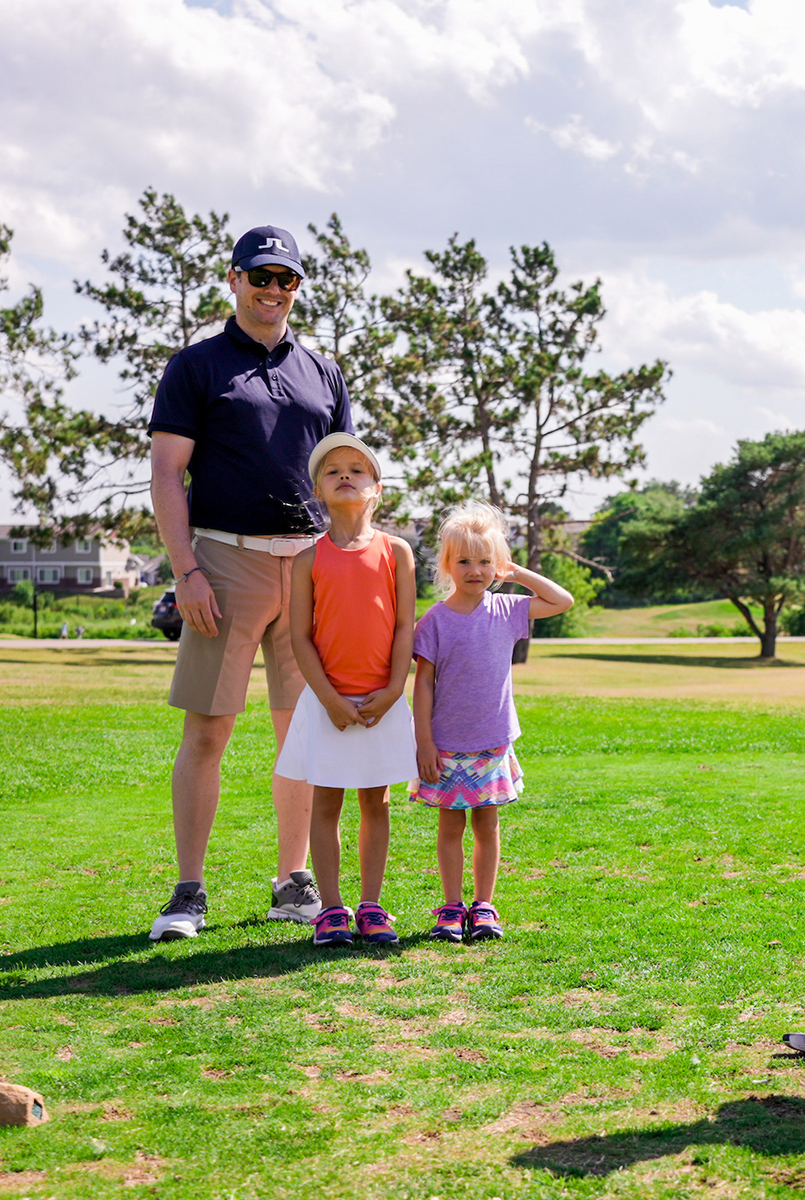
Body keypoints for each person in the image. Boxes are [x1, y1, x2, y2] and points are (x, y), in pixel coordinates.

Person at [146, 225, 353, 942]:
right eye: (260, 276)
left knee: (301, 736)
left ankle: (292, 882)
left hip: (308, 568)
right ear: (233, 280)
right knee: (209, 730)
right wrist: (187, 572)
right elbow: (167, 474)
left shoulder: (323, 373)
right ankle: (188, 892)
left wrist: (349, 562)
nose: (273, 290)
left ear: (297, 288)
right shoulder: (196, 367)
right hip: (224, 564)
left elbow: (343, 477)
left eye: (286, 279)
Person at [276, 433, 418, 947]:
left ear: (376, 489)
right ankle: (331, 910)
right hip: (328, 704)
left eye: (356, 470)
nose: (345, 475)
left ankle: (371, 906)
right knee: (327, 804)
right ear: (318, 489)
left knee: (375, 802)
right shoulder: (308, 559)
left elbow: (405, 627)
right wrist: (330, 699)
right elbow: (299, 636)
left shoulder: (396, 552)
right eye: (333, 470)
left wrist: (393, 688)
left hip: (382, 701)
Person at [411, 502, 574, 943]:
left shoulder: (507, 610)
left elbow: (563, 601)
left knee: (487, 825)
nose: (475, 569)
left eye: (485, 561)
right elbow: (422, 686)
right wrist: (423, 742)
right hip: (446, 745)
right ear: (447, 564)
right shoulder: (434, 621)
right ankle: (450, 906)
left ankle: (482, 906)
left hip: (493, 743)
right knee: (451, 827)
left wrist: (516, 571)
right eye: (464, 560)